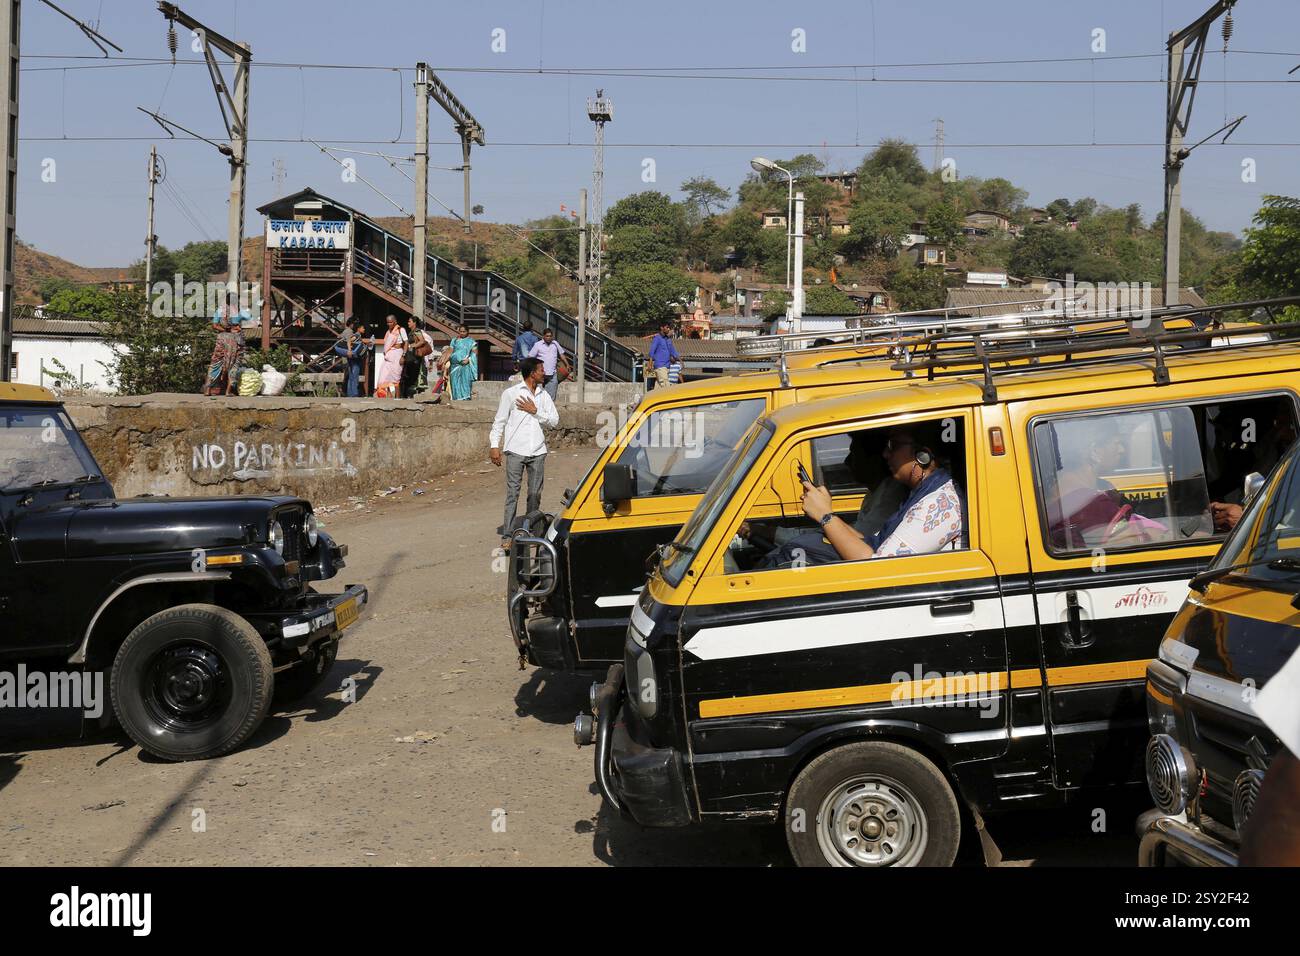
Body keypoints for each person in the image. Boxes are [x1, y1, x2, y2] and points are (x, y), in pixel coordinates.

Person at [770, 425, 963, 567]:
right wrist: (827, 514)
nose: (886, 454)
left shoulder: (938, 504)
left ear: (923, 456)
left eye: (893, 446)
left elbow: (877, 567)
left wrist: (825, 516)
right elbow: (870, 541)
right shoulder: (921, 493)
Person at [490, 356, 559, 545]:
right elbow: (500, 421)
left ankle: (531, 533)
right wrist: (494, 446)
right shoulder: (511, 394)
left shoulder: (544, 396)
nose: (544, 373)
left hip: (537, 450)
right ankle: (508, 535)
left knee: (534, 494)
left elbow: (554, 421)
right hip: (515, 450)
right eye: (541, 370)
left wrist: (535, 411)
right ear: (531, 373)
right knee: (513, 493)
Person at [202, 301, 246, 396]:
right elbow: (239, 327)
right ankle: (228, 391)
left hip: (221, 340)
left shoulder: (220, 311)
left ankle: (207, 390)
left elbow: (214, 325)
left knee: (215, 363)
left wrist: (225, 329)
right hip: (235, 340)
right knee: (234, 365)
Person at [527, 327, 565, 401]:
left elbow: (561, 354)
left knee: (551, 397)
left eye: (550, 336)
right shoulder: (538, 345)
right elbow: (530, 357)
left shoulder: (555, 344)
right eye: (547, 336)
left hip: (552, 374)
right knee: (539, 396)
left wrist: (566, 364)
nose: (549, 338)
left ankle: (549, 411)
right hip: (541, 375)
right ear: (543, 336)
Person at [332, 317, 365, 397]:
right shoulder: (351, 332)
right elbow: (349, 341)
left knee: (351, 375)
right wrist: (349, 351)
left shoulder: (347, 331)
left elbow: (341, 338)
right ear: (351, 324)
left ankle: (350, 393)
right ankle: (353, 394)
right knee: (354, 375)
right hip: (350, 355)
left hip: (346, 355)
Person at [375, 314, 406, 398]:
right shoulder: (388, 332)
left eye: (391, 322)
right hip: (389, 356)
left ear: (395, 321)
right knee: (385, 376)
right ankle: (388, 398)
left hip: (397, 355)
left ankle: (397, 398)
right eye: (388, 322)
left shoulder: (401, 330)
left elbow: (406, 342)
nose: (389, 324)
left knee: (396, 378)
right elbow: (387, 343)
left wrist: (403, 355)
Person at [401, 317, 431, 398]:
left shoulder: (417, 331)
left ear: (414, 323)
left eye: (409, 321)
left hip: (415, 358)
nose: (408, 323)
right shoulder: (411, 332)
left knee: (415, 376)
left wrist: (411, 346)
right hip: (411, 357)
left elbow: (422, 341)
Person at [648, 320, 681, 390]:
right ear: (662, 328)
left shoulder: (668, 339)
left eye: (669, 328)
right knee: (666, 387)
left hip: (667, 366)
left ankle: (654, 399)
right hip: (660, 366)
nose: (668, 329)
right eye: (667, 327)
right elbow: (652, 351)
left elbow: (673, 351)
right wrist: (650, 363)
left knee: (658, 388)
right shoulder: (657, 338)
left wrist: (680, 360)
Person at [448, 324, 478, 401]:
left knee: (465, 383)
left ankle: (465, 399)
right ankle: (456, 399)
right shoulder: (454, 340)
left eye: (464, 331)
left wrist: (469, 360)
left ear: (467, 332)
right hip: (454, 366)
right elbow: (450, 352)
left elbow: (475, 352)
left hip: (465, 365)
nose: (462, 333)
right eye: (460, 331)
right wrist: (444, 361)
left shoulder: (471, 341)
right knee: (454, 383)